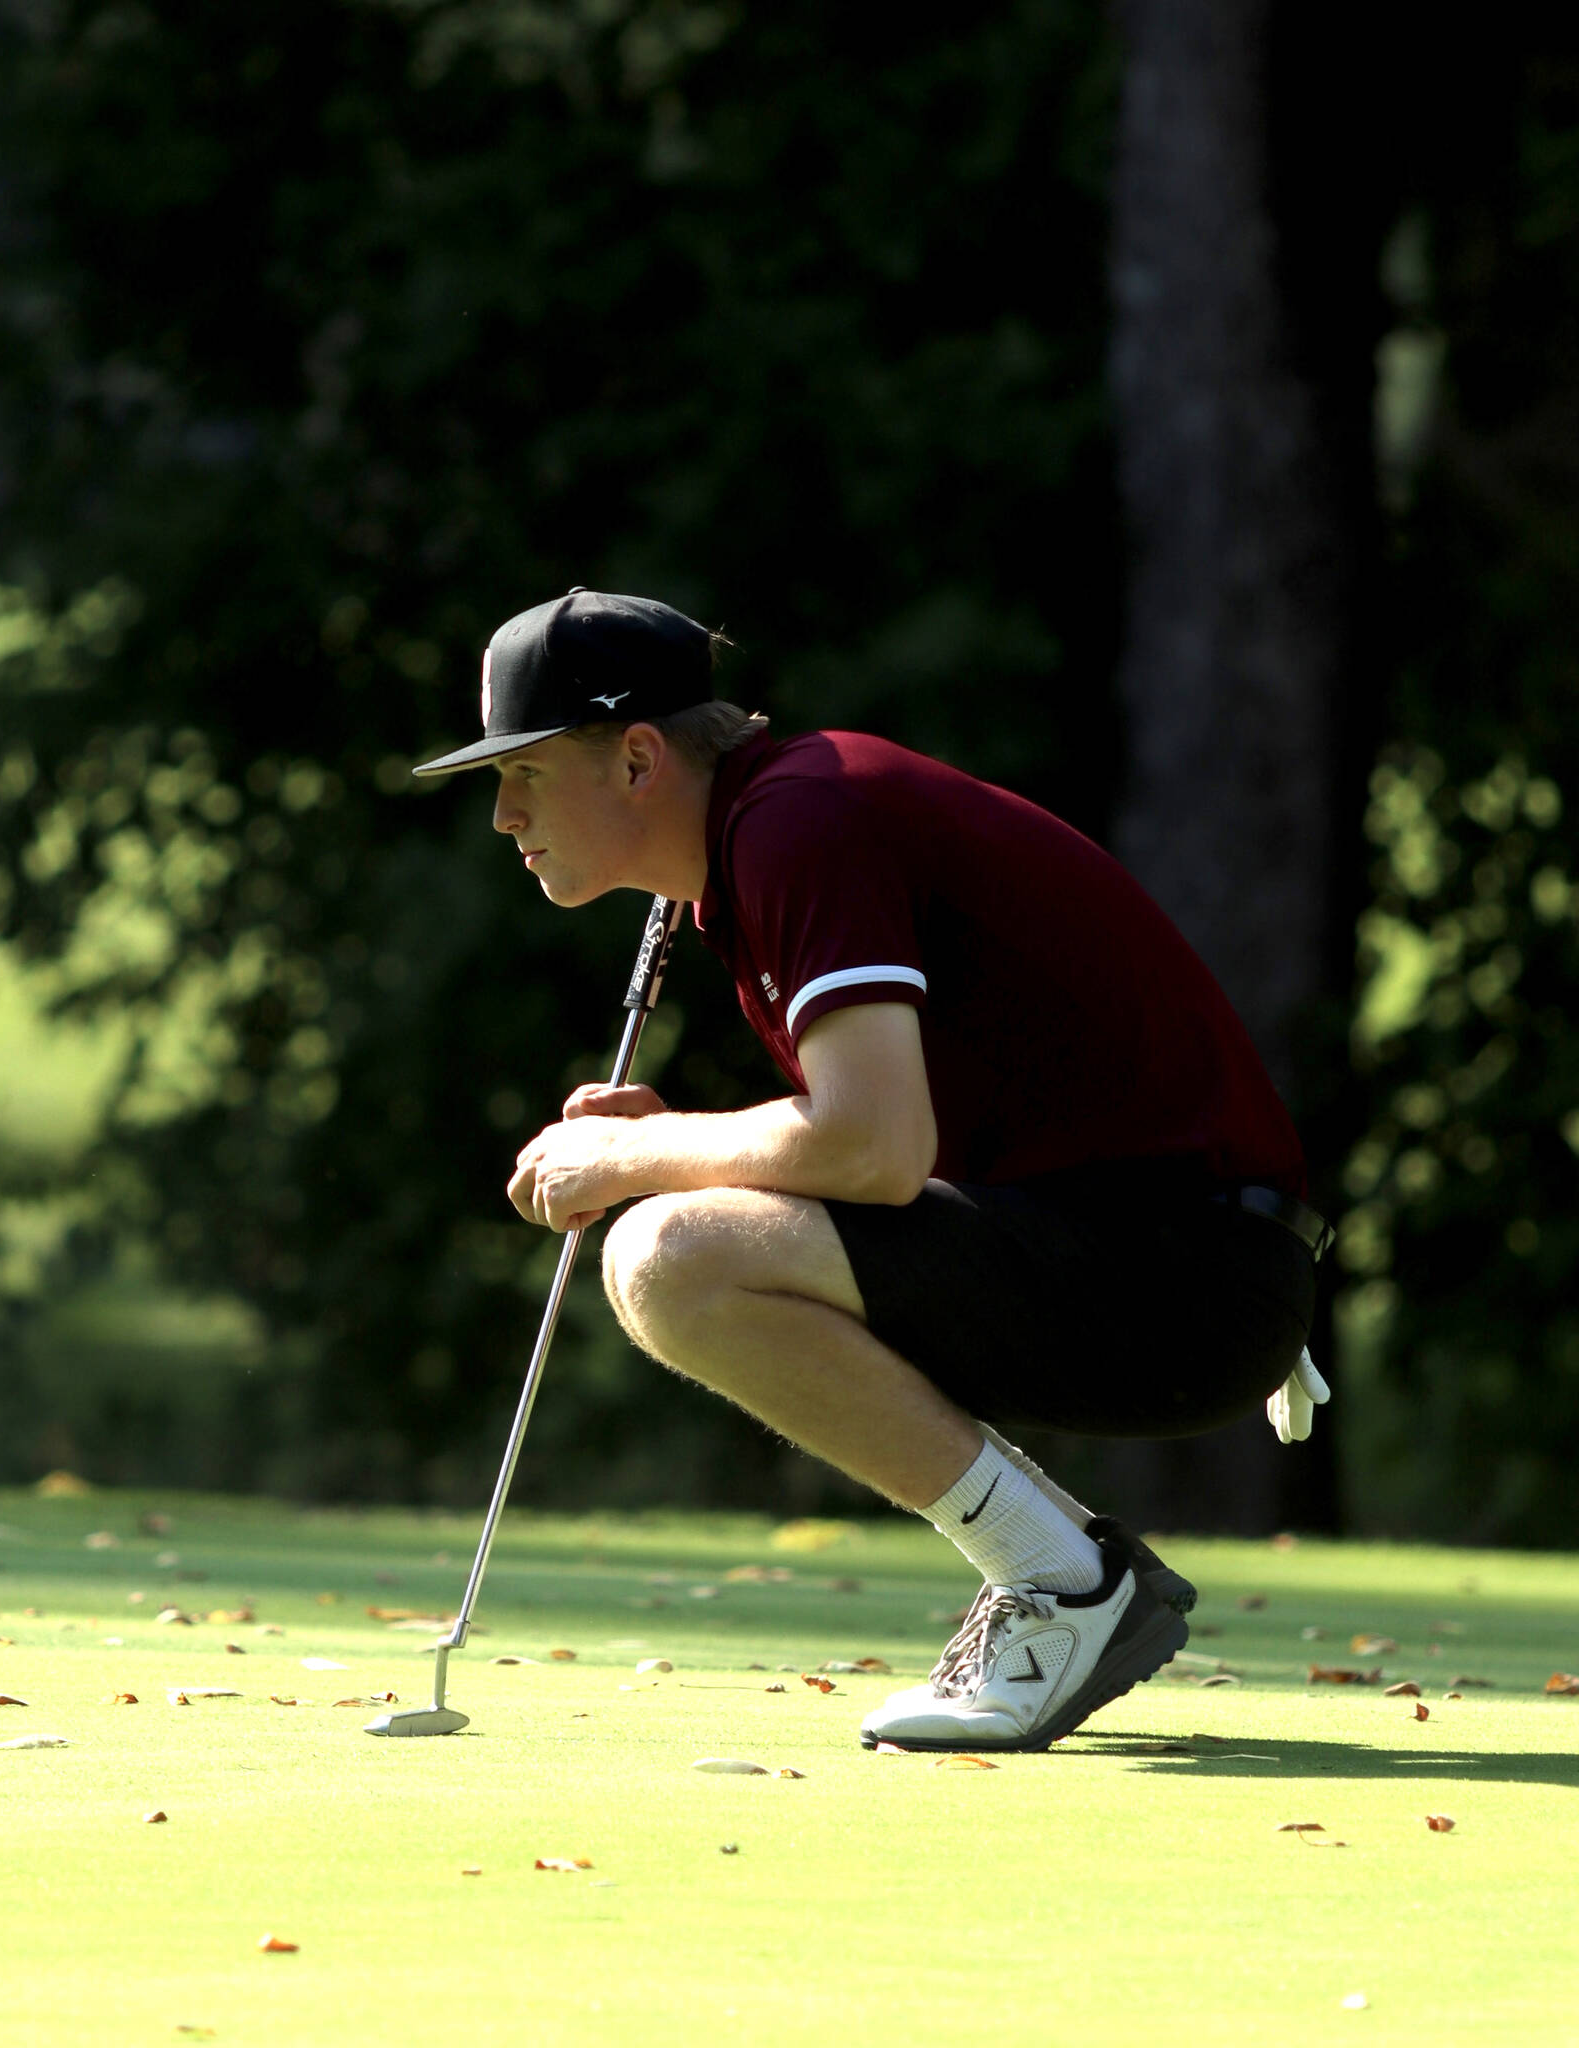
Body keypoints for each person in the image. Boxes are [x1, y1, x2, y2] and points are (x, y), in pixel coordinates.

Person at [413, 588, 1333, 1753]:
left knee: (671, 1254)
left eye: (528, 772)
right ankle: (1066, 1577)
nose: (501, 814)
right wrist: (677, 1139)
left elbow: (869, 1149)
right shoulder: (781, 820)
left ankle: (1065, 1589)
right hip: (1167, 1250)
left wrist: (637, 1153)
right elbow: (916, 1129)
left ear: (639, 756)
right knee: (689, 1227)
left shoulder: (797, 823)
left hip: (1184, 1274)